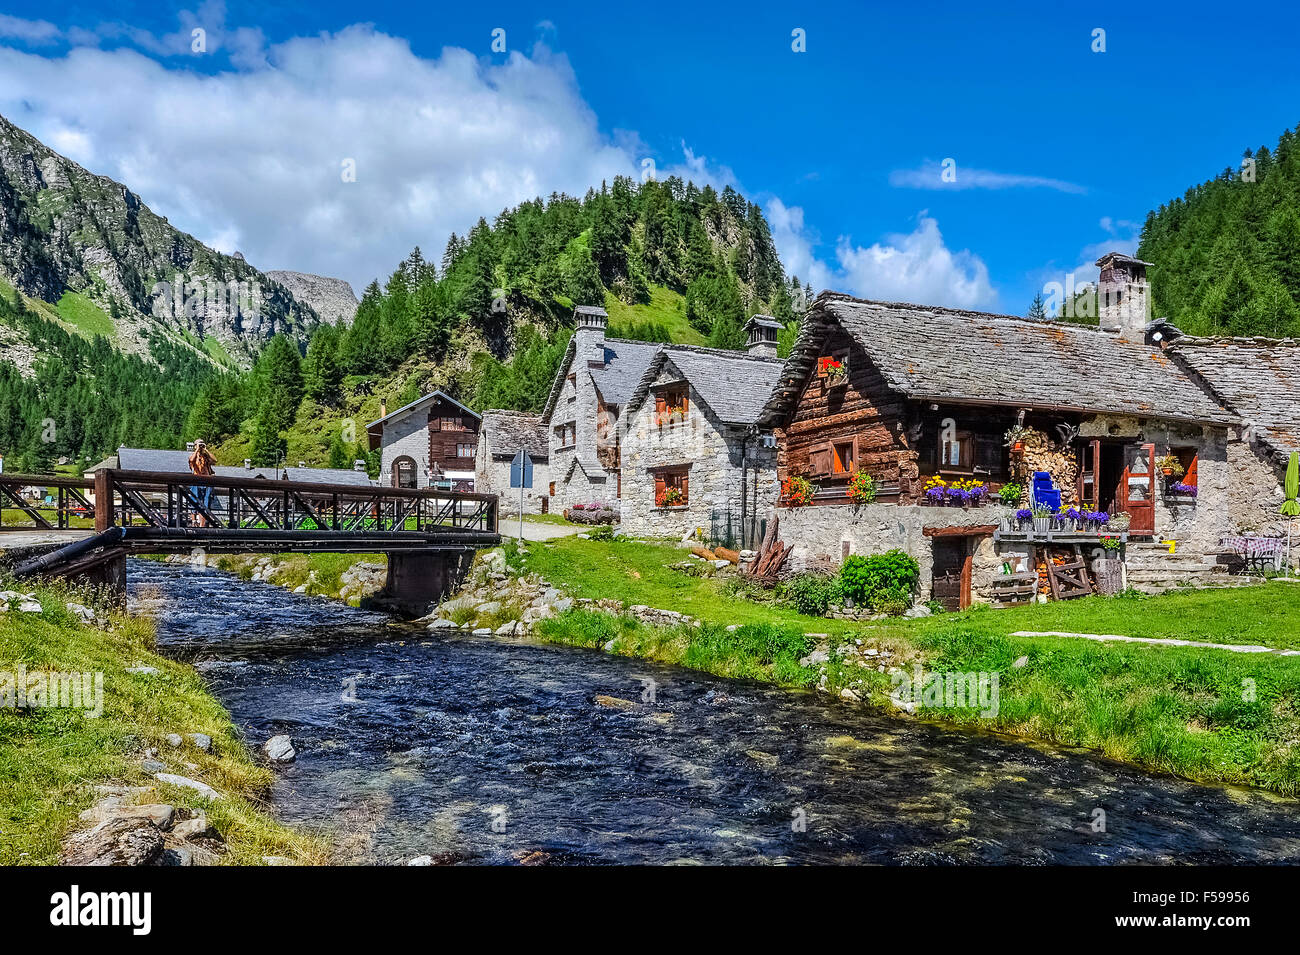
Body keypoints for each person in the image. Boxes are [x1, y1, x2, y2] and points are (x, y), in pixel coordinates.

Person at [188, 440, 217, 527]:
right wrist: (197, 450)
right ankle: (194, 522)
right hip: (196, 481)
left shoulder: (206, 456)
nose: (200, 446)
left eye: (202, 443)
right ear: (195, 445)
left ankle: (202, 525)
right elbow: (191, 460)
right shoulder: (193, 456)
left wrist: (206, 449)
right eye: (199, 444)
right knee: (194, 500)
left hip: (207, 482)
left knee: (206, 502)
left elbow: (215, 460)